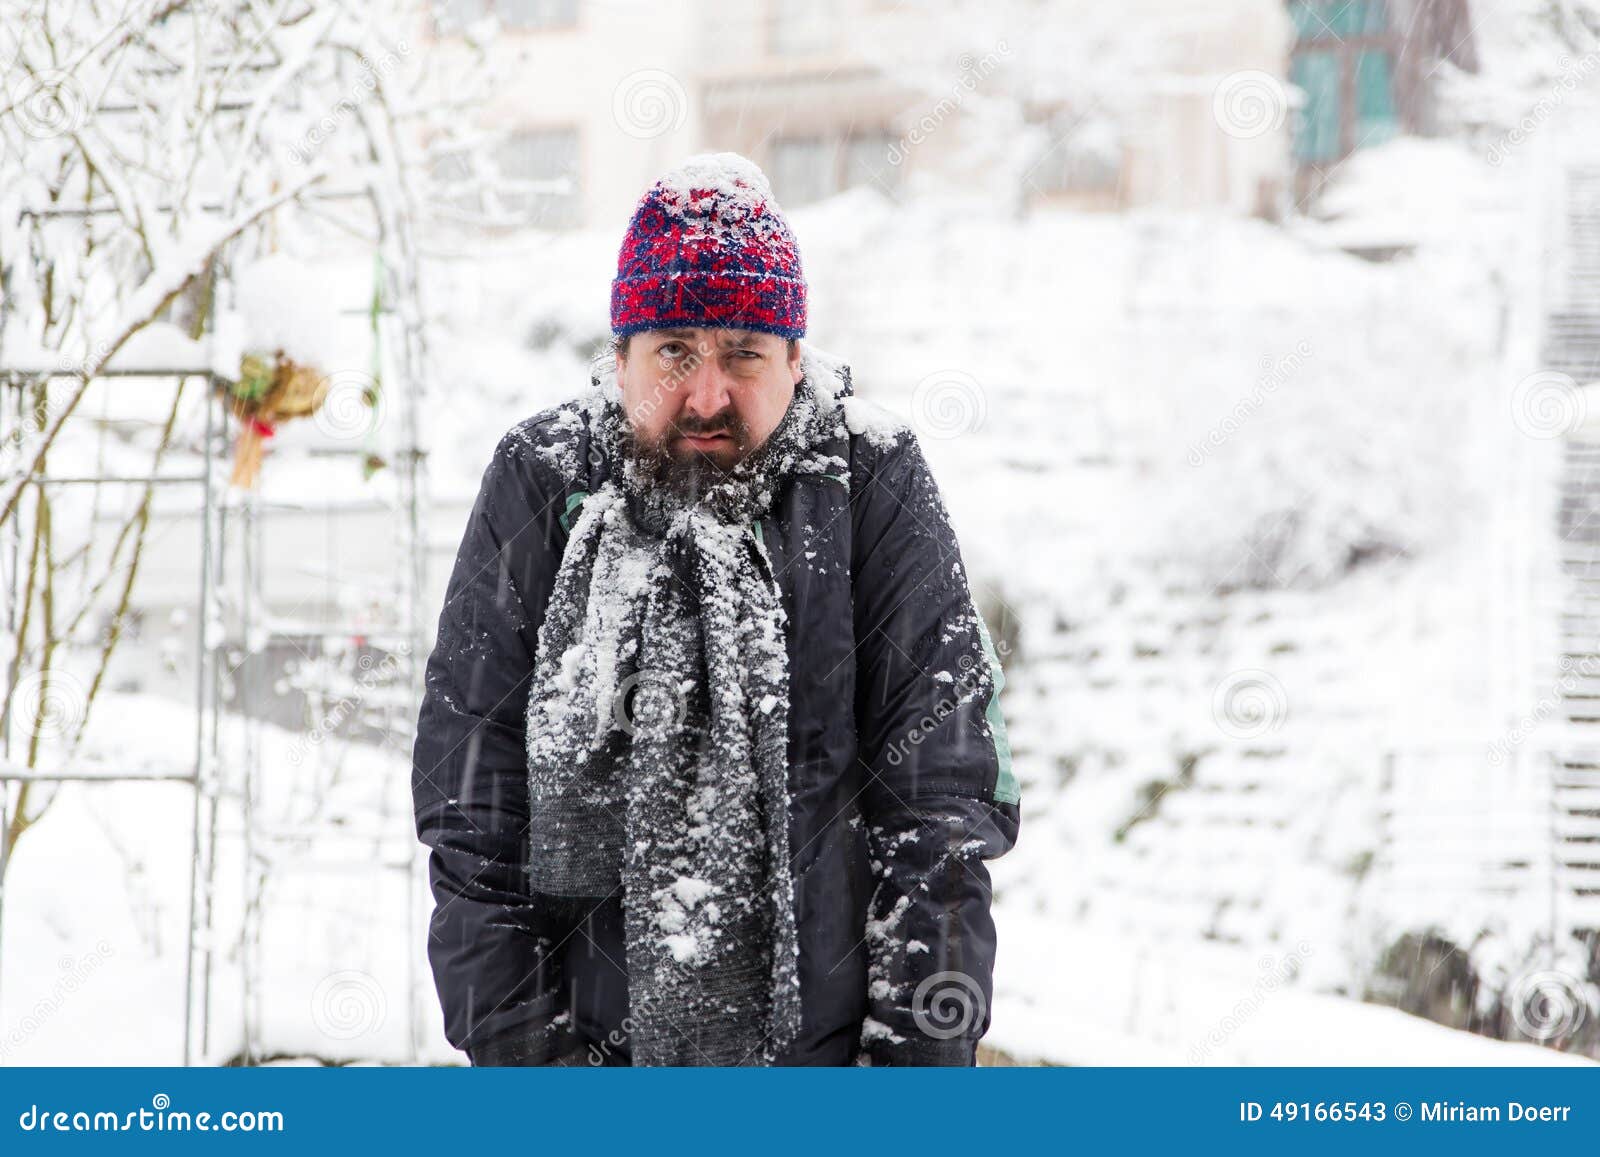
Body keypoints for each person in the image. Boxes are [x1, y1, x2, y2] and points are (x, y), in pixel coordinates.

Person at [410, 152, 1020, 1066]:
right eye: (674, 353)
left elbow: (939, 815)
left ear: (795, 357)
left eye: (743, 353)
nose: (707, 394)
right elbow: (473, 810)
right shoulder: (542, 482)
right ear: (619, 359)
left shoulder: (870, 483)